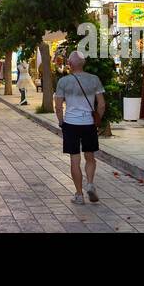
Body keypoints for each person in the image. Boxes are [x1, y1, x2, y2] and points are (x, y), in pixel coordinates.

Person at [54, 51, 106, 205]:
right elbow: (101, 104)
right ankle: (90, 184)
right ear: (83, 64)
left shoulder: (63, 82)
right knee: (90, 157)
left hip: (71, 124)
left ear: (70, 64)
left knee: (74, 160)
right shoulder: (94, 79)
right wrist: (97, 121)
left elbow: (57, 106)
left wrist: (61, 121)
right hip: (89, 124)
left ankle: (79, 194)